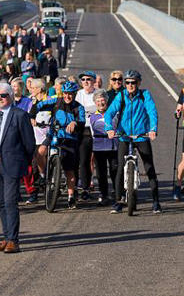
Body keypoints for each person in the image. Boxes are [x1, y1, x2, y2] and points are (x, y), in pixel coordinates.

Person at [0, 82, 36, 253]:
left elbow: (29, 144)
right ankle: (6, 237)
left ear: (11, 97)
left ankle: (14, 240)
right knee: (0, 203)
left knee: (10, 202)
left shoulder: (19, 115)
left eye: (3, 95)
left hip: (12, 165)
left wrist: (24, 163)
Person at [104, 70, 161, 214]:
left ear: (139, 83)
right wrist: (110, 128)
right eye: (127, 82)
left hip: (141, 136)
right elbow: (109, 113)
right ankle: (118, 202)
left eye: (133, 82)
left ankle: (156, 202)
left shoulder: (144, 95)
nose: (130, 85)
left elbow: (152, 112)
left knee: (149, 168)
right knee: (119, 169)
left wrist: (153, 129)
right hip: (124, 136)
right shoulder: (121, 96)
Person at [30, 81, 85, 209]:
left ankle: (71, 196)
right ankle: (44, 176)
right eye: (65, 93)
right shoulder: (56, 101)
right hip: (54, 134)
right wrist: (32, 116)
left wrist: (75, 124)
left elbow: (82, 121)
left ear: (74, 94)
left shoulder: (78, 107)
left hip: (69, 139)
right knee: (40, 152)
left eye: (70, 94)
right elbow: (38, 105)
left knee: (69, 170)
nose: (67, 96)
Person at [90, 90, 118, 205]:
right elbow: (93, 131)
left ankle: (117, 193)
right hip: (99, 147)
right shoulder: (93, 116)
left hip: (113, 146)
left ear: (107, 101)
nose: (101, 103)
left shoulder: (114, 114)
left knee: (114, 170)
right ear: (95, 103)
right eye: (98, 101)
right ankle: (103, 194)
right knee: (101, 173)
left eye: (103, 100)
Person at [75, 71, 98, 200]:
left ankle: (91, 187)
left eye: (88, 79)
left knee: (94, 160)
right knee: (83, 160)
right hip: (82, 130)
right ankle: (83, 188)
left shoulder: (99, 93)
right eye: (83, 79)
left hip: (96, 131)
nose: (85, 81)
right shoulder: (79, 94)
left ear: (94, 81)